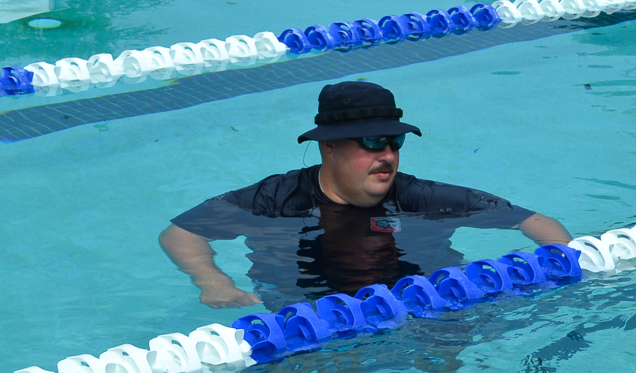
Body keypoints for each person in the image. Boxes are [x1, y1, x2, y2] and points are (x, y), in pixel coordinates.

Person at [159, 82, 572, 310]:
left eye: (395, 141)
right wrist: (212, 282)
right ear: (329, 147)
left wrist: (564, 261)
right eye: (373, 141)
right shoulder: (274, 200)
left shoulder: (422, 198)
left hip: (423, 316)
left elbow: (534, 221)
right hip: (307, 323)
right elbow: (180, 233)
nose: (387, 155)